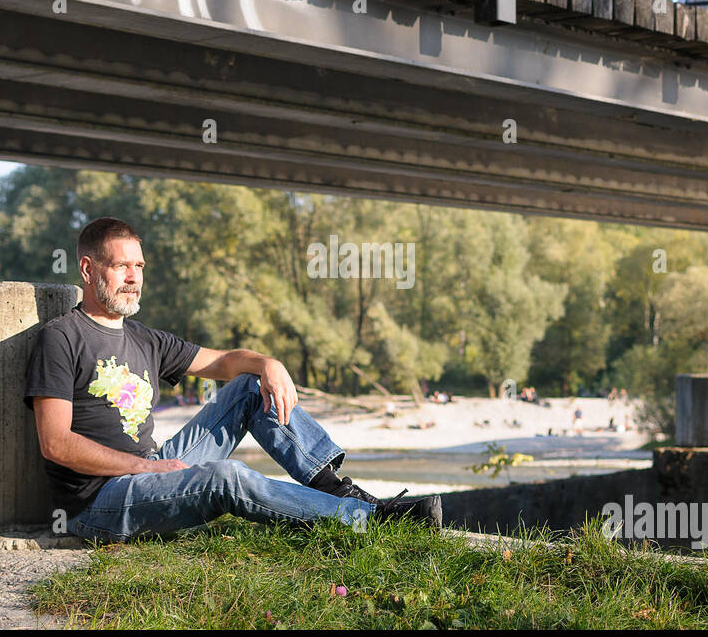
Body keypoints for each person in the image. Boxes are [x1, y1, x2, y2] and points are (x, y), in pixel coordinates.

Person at [25, 217, 442, 543]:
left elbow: (225, 361)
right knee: (226, 477)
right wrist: (142, 467)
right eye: (121, 267)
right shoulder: (61, 338)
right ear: (87, 267)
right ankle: (368, 521)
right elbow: (56, 442)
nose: (134, 278)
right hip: (98, 503)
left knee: (246, 385)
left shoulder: (143, 338)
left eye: (139, 266)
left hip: (149, 471)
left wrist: (267, 363)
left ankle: (342, 492)